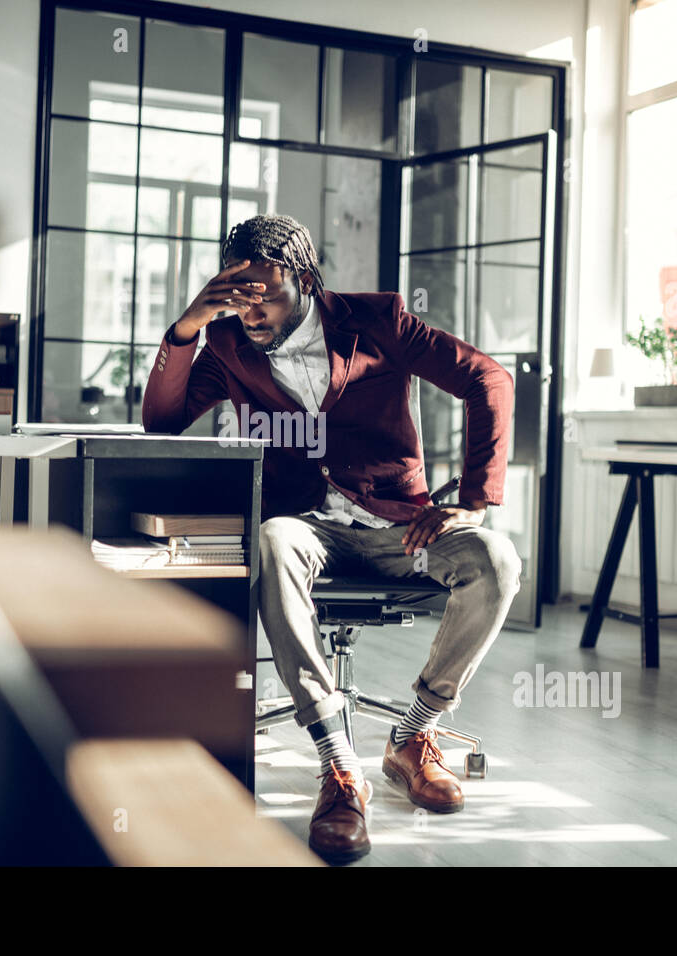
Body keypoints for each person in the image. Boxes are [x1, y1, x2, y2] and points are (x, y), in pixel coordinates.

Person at [142, 214, 521, 864]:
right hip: (306, 524)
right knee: (271, 542)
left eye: (265, 291)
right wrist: (187, 329)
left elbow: (489, 378)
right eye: (237, 293)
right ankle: (338, 765)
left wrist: (474, 502)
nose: (252, 310)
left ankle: (413, 736)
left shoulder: (380, 322)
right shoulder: (228, 345)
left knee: (497, 560)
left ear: (307, 281)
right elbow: (162, 420)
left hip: (399, 526)